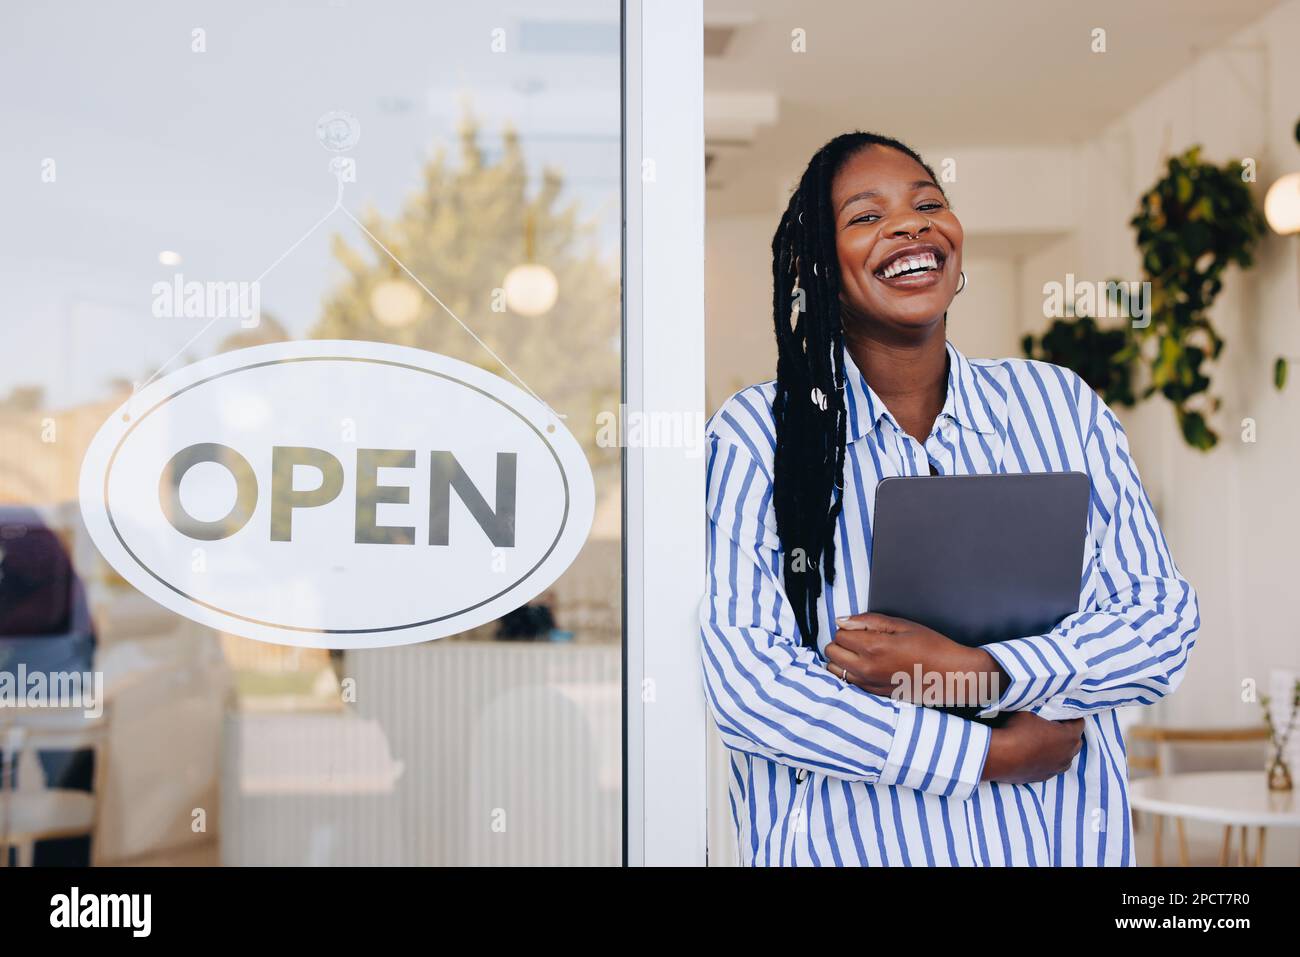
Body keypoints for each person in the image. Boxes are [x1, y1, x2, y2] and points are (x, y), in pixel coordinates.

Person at [699, 131, 1199, 866]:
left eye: (929, 203)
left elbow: (1159, 623)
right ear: (813, 267)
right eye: (866, 217)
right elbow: (752, 688)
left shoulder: (1059, 407)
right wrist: (982, 754)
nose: (910, 224)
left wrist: (982, 671)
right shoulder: (756, 437)